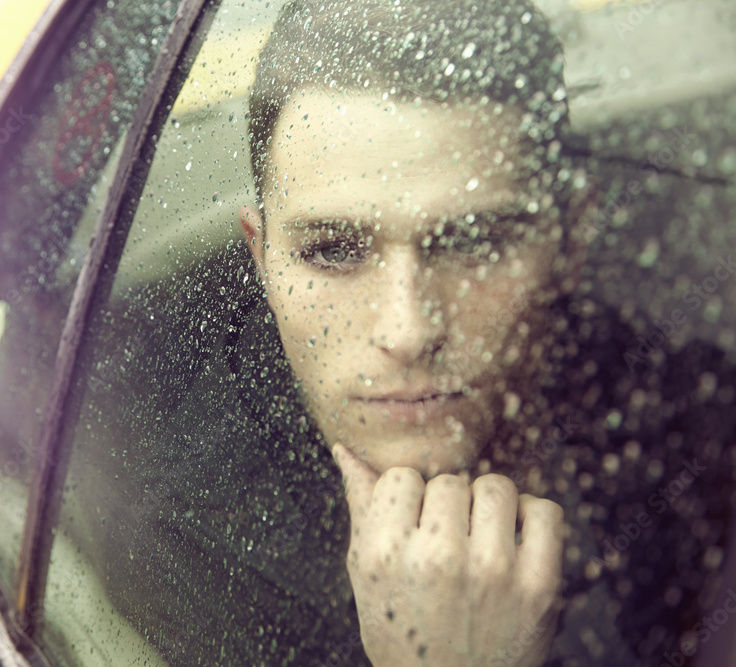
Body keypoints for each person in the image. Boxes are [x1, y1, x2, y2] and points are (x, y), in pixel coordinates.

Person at [94, 0, 736, 664]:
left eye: (473, 242)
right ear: (262, 258)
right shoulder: (194, 547)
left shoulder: (683, 414)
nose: (407, 330)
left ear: (570, 241)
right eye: (335, 249)